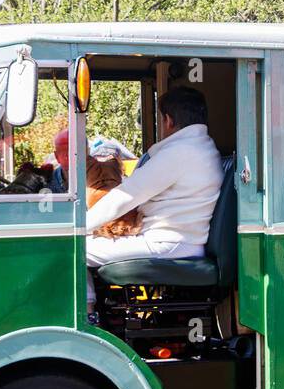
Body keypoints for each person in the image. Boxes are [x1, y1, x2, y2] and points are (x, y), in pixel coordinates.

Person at [85, 86, 223, 273]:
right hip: (180, 241)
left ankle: (88, 303)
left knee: (69, 249)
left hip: (168, 242)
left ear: (168, 120)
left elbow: (126, 195)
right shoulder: (204, 148)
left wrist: (79, 226)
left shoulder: (180, 153)